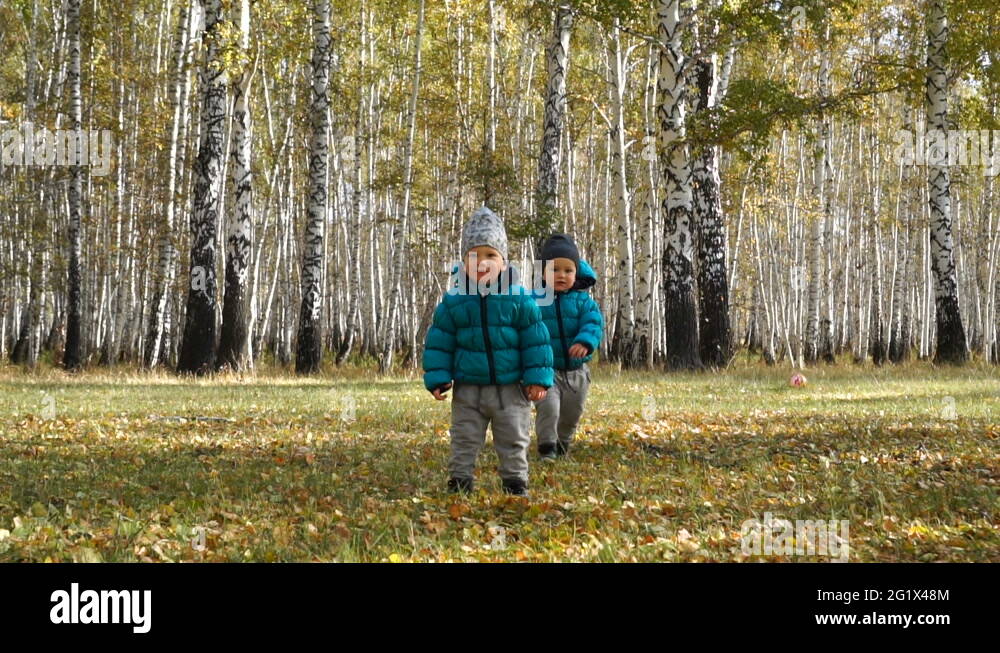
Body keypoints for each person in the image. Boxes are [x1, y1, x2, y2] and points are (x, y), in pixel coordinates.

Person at [422, 207, 554, 496]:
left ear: (504, 262)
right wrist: (438, 377)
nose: (482, 263)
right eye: (475, 255)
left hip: (510, 388)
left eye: (491, 255)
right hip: (469, 389)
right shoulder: (455, 301)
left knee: (514, 437)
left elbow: (536, 340)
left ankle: (515, 482)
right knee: (464, 437)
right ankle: (460, 480)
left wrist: (538, 377)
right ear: (464, 262)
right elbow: (440, 340)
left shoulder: (518, 299)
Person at [532, 233, 603, 460]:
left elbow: (593, 323)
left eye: (568, 270)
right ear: (543, 272)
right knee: (548, 408)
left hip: (576, 372)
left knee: (572, 413)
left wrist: (585, 341)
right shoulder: (535, 301)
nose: (561, 275)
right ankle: (547, 447)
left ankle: (563, 442)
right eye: (554, 270)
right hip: (547, 370)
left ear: (576, 272)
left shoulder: (583, 302)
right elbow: (525, 326)